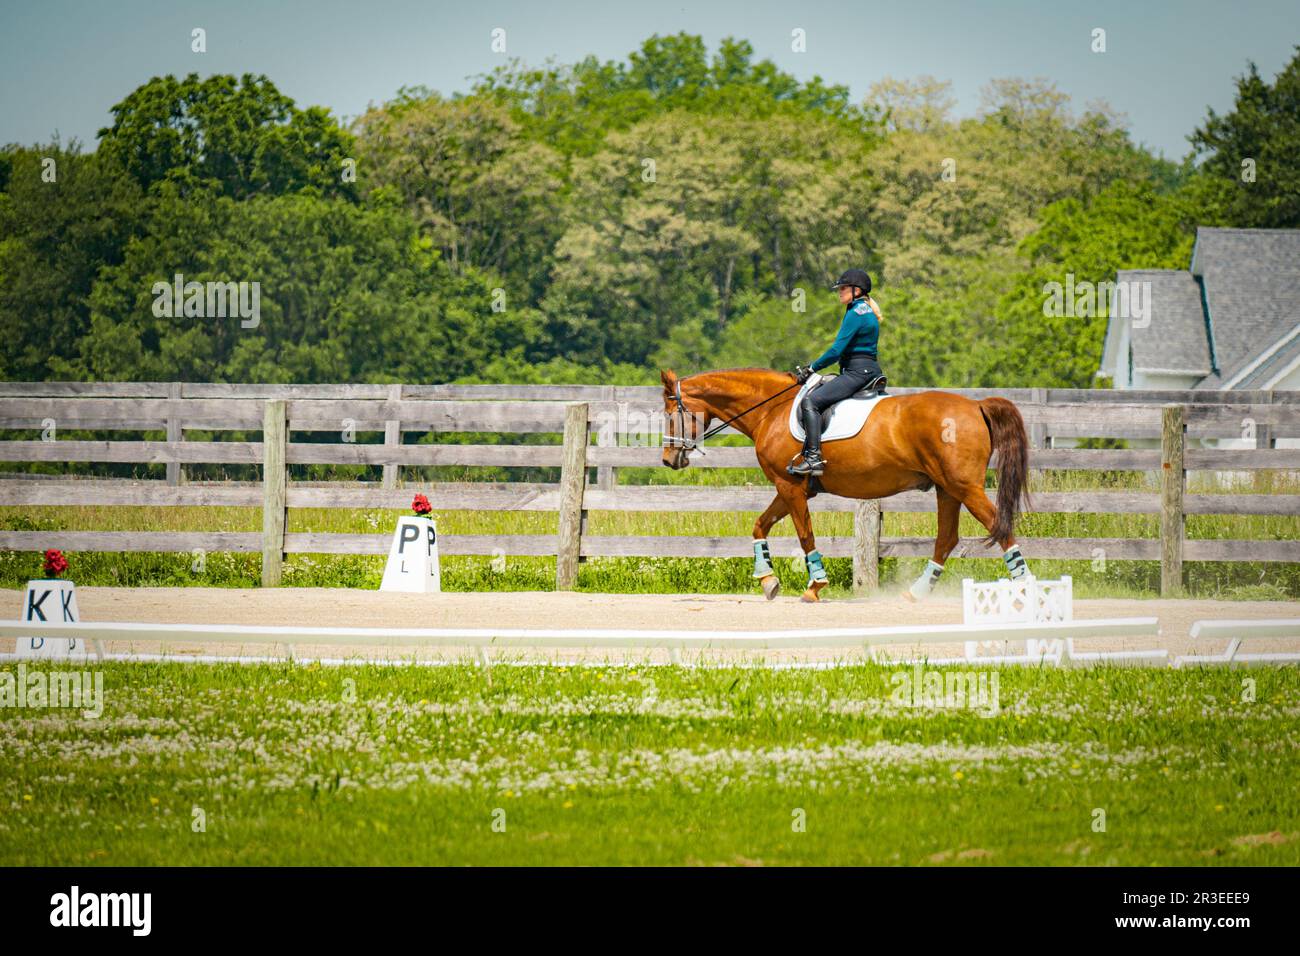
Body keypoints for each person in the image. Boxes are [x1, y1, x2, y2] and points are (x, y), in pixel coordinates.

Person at [787, 268, 885, 477]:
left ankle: (813, 458)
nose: (839, 292)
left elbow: (835, 351)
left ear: (856, 290)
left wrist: (811, 368)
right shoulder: (864, 310)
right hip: (866, 370)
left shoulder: (855, 313)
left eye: (843, 288)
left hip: (857, 373)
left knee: (811, 402)